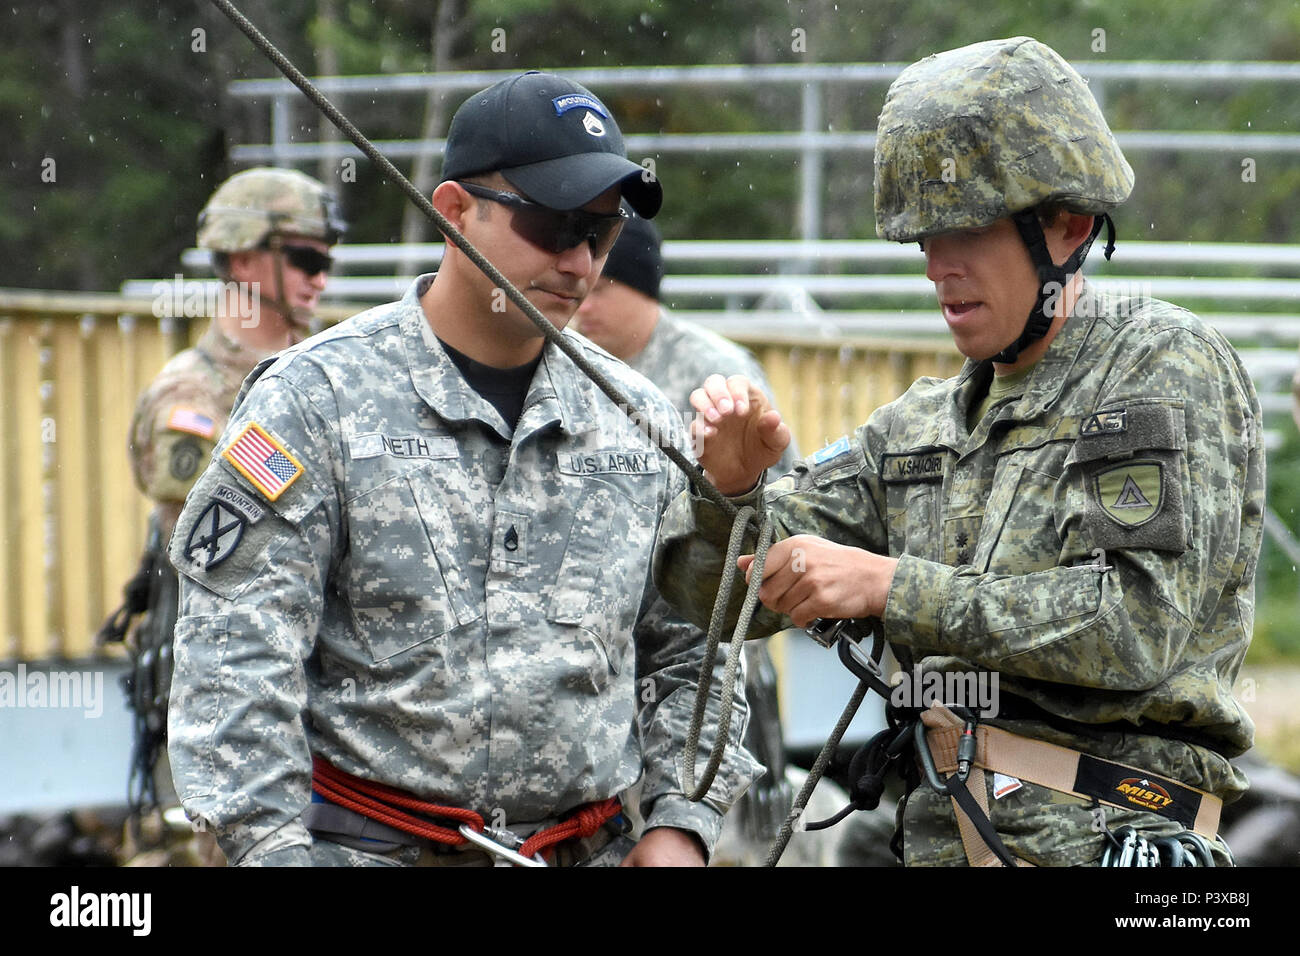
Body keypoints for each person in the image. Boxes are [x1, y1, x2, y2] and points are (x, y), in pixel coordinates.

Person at [654, 36, 1262, 867]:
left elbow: (1133, 628)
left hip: (1117, 840)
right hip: (937, 833)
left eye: (967, 230)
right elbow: (716, 600)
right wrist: (728, 494)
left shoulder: (1155, 365)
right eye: (923, 239)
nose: (940, 267)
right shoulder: (917, 427)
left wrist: (888, 586)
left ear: (1068, 227)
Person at [164, 71, 757, 867]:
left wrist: (682, 823)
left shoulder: (638, 415)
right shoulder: (319, 400)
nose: (580, 262)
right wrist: (269, 848)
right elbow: (236, 651)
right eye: (551, 224)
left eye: (601, 233)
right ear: (453, 211)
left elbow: (692, 644)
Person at [105, 167, 342, 863]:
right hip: (242, 695)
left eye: (326, 260)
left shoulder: (327, 373)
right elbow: (218, 556)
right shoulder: (194, 397)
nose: (321, 278)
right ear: (244, 259)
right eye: (305, 257)